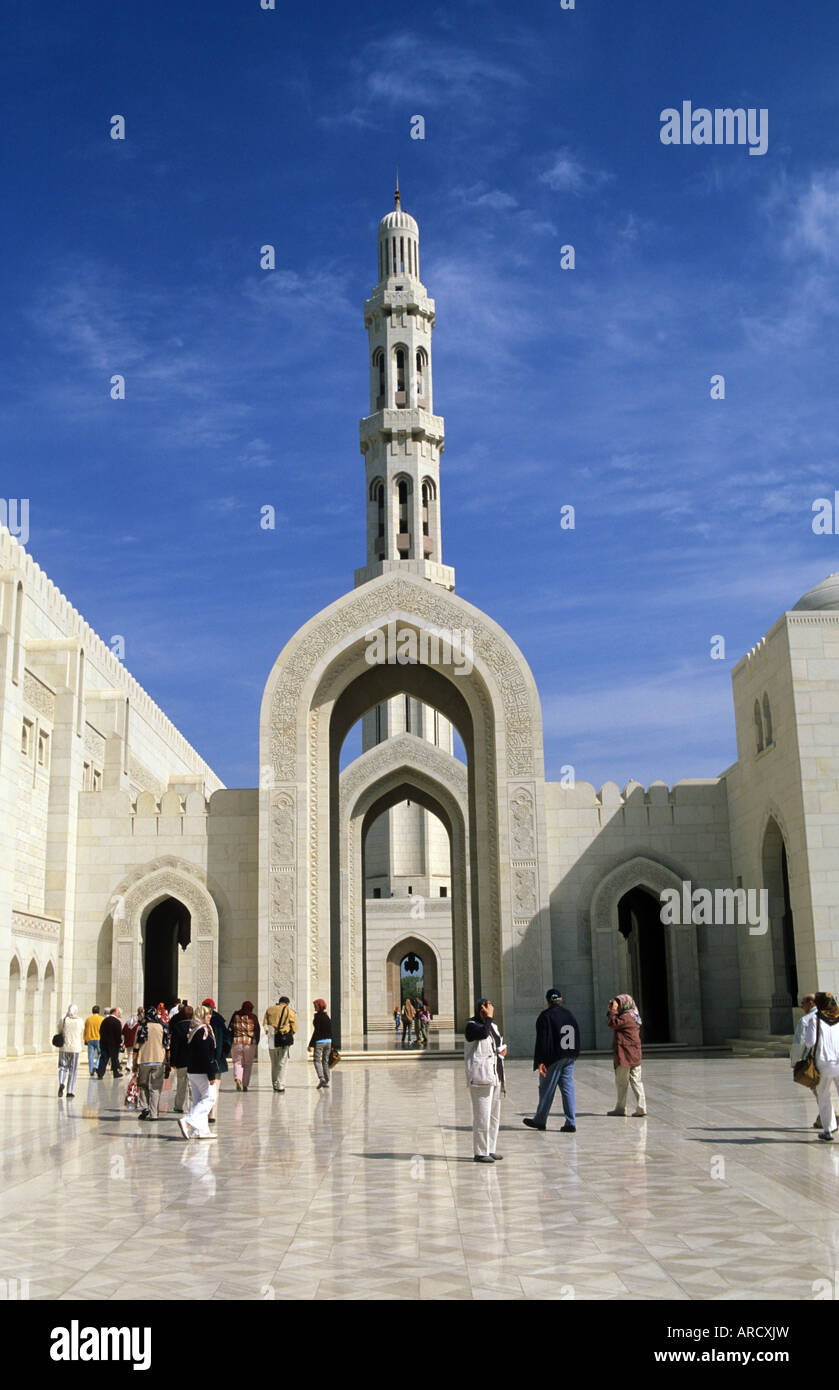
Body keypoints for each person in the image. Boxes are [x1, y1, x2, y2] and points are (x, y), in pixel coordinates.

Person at [523, 987, 581, 1133]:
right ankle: (570, 1122)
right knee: (568, 1089)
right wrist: (574, 1054)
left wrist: (540, 1061)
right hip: (570, 1056)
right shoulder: (569, 1014)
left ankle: (540, 1120)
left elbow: (542, 1040)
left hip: (554, 1057)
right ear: (560, 1000)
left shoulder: (546, 1016)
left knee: (546, 1089)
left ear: (548, 1001)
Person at [464, 997, 506, 1162]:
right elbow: (482, 1034)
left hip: (495, 1075)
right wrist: (488, 1018)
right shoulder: (471, 1026)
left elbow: (497, 1043)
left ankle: (491, 1147)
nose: (487, 1011)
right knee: (482, 1115)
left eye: (489, 1008)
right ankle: (481, 1151)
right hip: (480, 1076)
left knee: (494, 1116)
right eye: (484, 1009)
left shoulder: (493, 1026)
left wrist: (502, 1050)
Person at [797, 991, 839, 1141]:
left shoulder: (816, 1019)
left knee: (824, 1096)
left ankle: (829, 1129)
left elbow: (809, 1042)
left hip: (824, 1063)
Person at [179, 1005, 218, 1141]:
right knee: (210, 1098)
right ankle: (188, 1121)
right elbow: (204, 1055)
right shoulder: (202, 1032)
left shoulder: (194, 1030)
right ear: (201, 1016)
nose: (210, 1017)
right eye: (207, 1015)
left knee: (198, 1101)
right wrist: (211, 1074)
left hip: (193, 1071)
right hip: (201, 1071)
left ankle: (201, 1130)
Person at [607, 994, 647, 1116]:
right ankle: (641, 1107)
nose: (617, 1005)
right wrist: (612, 1009)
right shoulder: (634, 1016)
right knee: (636, 1081)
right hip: (634, 1055)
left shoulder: (627, 1017)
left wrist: (613, 1010)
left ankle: (621, 1108)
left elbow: (612, 1023)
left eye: (619, 1003)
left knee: (622, 1082)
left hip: (625, 1055)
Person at [136, 1005, 169, 1121]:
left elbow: (136, 1046)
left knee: (143, 1085)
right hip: (159, 1060)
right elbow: (166, 1044)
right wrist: (168, 1062)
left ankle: (144, 1107)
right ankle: (154, 1114)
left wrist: (135, 1063)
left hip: (144, 1060)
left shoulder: (142, 1027)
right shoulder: (162, 1027)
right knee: (155, 1088)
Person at [202, 999, 230, 1125]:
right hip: (216, 1060)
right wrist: (222, 1054)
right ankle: (212, 1114)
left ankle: (205, 1113)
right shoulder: (219, 1020)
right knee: (214, 1088)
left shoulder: (198, 1020)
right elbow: (227, 1039)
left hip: (202, 1060)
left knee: (203, 1089)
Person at [263, 995, 297, 1092]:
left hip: (271, 1038)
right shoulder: (289, 1010)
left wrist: (270, 1033)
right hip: (283, 1038)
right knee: (282, 1062)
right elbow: (294, 1027)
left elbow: (265, 1024)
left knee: (274, 1063)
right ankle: (280, 1085)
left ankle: (274, 1083)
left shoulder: (269, 1009)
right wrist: (290, 1033)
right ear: (287, 1003)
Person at [229, 1001, 260, 1091]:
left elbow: (230, 1027)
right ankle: (245, 1085)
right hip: (249, 1043)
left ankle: (238, 1079)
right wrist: (256, 1041)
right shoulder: (253, 1017)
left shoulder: (236, 1015)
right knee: (248, 1064)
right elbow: (257, 1030)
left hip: (236, 1042)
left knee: (237, 1062)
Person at [169, 1004, 194, 1112]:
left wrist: (173, 1061)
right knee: (193, 1086)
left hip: (181, 1061)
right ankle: (194, 1106)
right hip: (194, 1062)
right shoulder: (196, 1027)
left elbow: (175, 1046)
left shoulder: (178, 1027)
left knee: (181, 1085)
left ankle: (179, 1106)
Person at [57, 1004, 84, 1098]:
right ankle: (69, 1091)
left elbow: (59, 1030)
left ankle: (61, 1083)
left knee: (62, 1067)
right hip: (75, 1048)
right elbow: (81, 1030)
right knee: (73, 1069)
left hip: (64, 1047)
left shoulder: (64, 1019)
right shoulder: (80, 1021)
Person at [308, 999, 332, 1089]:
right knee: (325, 1061)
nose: (314, 1007)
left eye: (315, 1006)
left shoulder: (318, 1017)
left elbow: (316, 1032)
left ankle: (321, 1078)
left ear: (319, 1006)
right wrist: (332, 1044)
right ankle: (326, 1080)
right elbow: (330, 1031)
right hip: (328, 1042)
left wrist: (311, 1044)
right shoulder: (327, 1017)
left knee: (317, 1060)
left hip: (320, 1042)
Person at [97, 1007, 124, 1078]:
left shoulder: (105, 1020)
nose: (119, 1014)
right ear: (114, 1012)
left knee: (104, 1058)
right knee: (114, 1058)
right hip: (114, 1044)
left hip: (104, 1043)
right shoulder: (117, 1022)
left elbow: (100, 1031)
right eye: (118, 1012)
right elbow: (118, 1034)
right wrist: (120, 1042)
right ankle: (115, 1073)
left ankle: (100, 1073)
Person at [83, 1006, 102, 1077]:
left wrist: (85, 1039)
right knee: (100, 1054)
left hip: (90, 1039)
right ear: (99, 1011)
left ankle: (91, 1071)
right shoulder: (101, 1019)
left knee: (90, 1056)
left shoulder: (88, 1020)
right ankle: (96, 1065)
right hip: (99, 1039)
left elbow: (85, 1030)